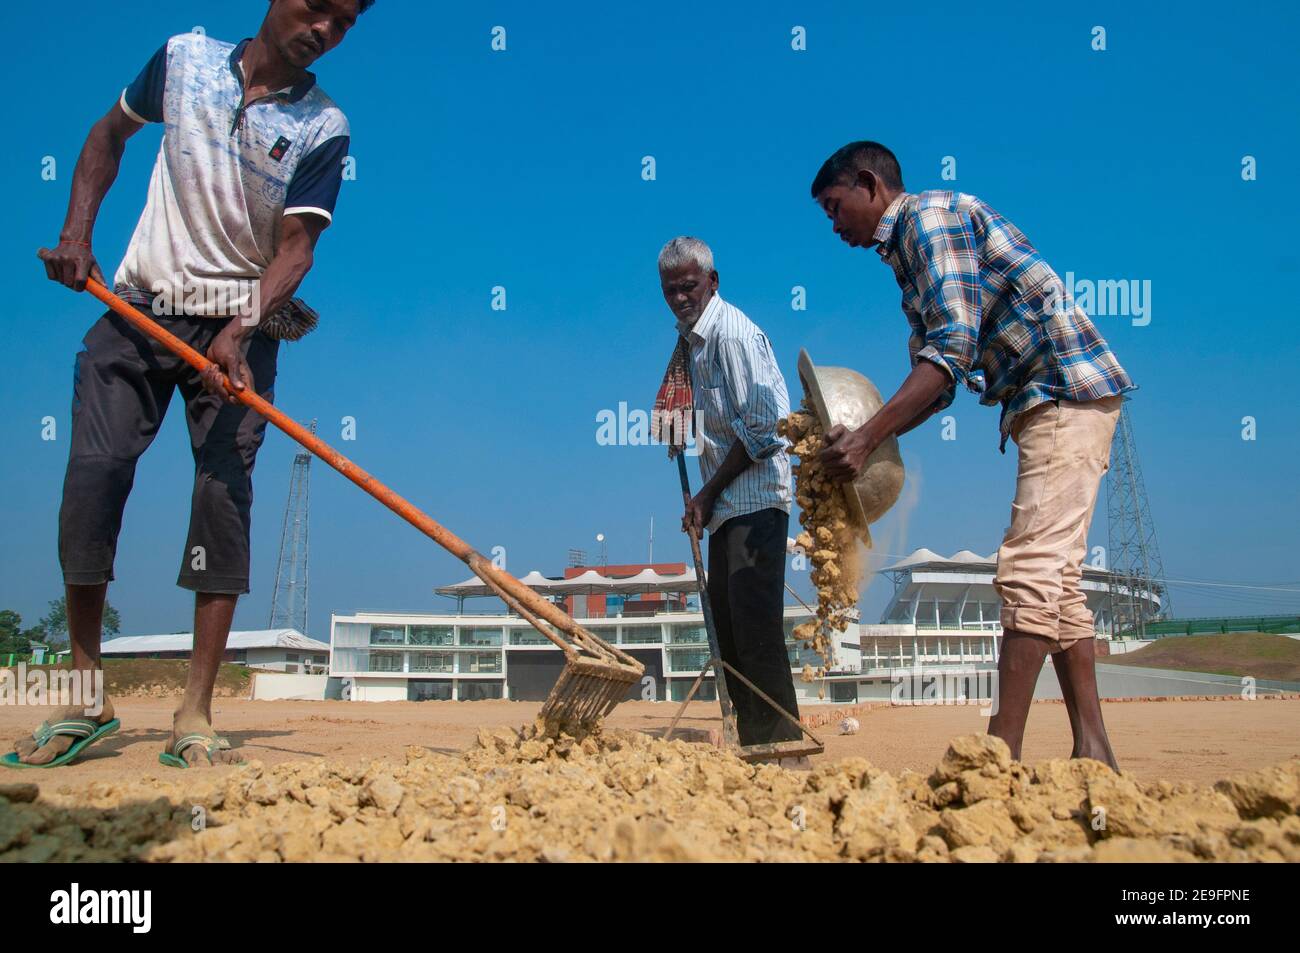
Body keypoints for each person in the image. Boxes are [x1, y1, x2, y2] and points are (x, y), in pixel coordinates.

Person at [11, 0, 373, 769]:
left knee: (222, 496)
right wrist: (78, 231)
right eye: (319, 7)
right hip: (138, 306)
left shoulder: (323, 125)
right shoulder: (184, 61)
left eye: (344, 23)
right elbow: (107, 135)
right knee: (94, 479)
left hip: (241, 325)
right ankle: (83, 700)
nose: (325, 30)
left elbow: (296, 249)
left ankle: (195, 710)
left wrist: (240, 330)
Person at [809, 141, 1134, 770]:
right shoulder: (907, 257)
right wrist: (863, 436)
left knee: (1027, 570)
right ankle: (1093, 752)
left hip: (1064, 391)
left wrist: (869, 435)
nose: (833, 223)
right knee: (1059, 589)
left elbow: (950, 350)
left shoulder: (928, 221)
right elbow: (937, 383)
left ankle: (995, 758)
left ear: (869, 184)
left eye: (833, 205)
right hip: (1050, 400)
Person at [655, 236, 803, 749]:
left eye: (689, 287)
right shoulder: (691, 346)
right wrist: (708, 499)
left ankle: (782, 746)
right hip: (726, 510)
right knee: (728, 627)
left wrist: (706, 494)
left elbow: (765, 428)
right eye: (670, 290)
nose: (680, 299)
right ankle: (752, 740)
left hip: (754, 502)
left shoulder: (733, 336)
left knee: (755, 628)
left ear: (712, 283)